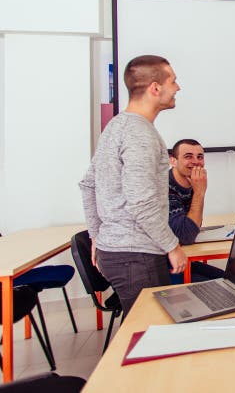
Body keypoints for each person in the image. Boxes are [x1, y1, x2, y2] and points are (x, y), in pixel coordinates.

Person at [79, 55, 187, 317]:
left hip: (116, 250)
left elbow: (87, 185)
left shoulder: (116, 126)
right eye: (173, 81)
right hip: (136, 255)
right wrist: (172, 246)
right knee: (150, 335)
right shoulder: (140, 134)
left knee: (141, 332)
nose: (178, 88)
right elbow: (141, 201)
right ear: (155, 88)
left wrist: (97, 235)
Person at [167, 138, 224, 283]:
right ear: (173, 161)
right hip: (162, 264)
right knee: (219, 287)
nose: (196, 162)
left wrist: (198, 191)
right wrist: (200, 193)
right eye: (188, 157)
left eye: (200, 157)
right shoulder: (164, 188)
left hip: (178, 256)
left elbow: (194, 226)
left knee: (230, 279)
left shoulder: (191, 182)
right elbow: (185, 236)